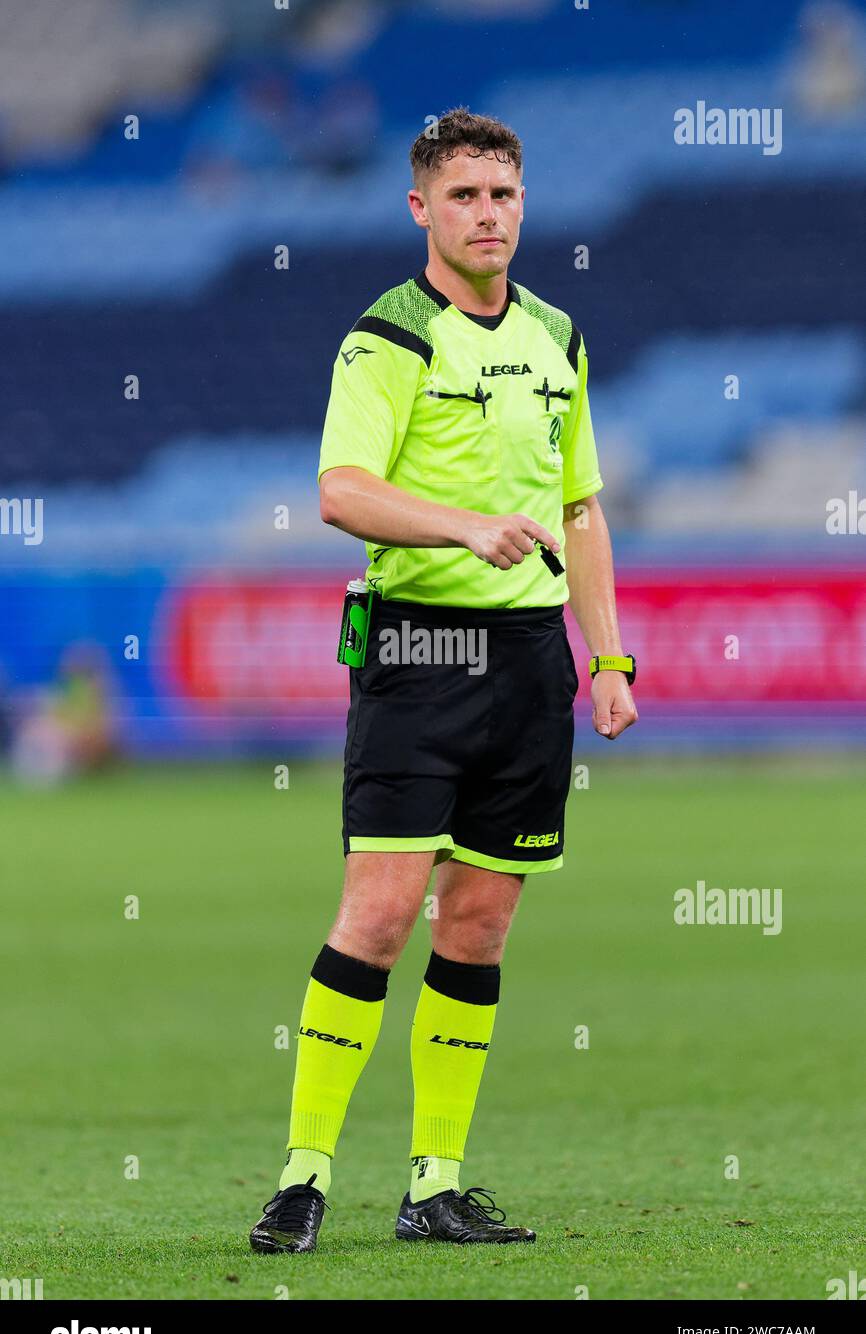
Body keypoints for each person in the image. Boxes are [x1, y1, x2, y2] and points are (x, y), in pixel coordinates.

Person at [250, 105, 637, 1254]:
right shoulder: (387, 337)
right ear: (420, 207)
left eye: (503, 194)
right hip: (418, 651)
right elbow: (340, 490)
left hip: (527, 667)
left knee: (475, 925)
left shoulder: (560, 337)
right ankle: (302, 1175)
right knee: (375, 916)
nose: (487, 215)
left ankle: (434, 1183)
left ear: (524, 204)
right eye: (463, 195)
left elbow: (579, 507)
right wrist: (465, 530)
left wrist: (606, 657)